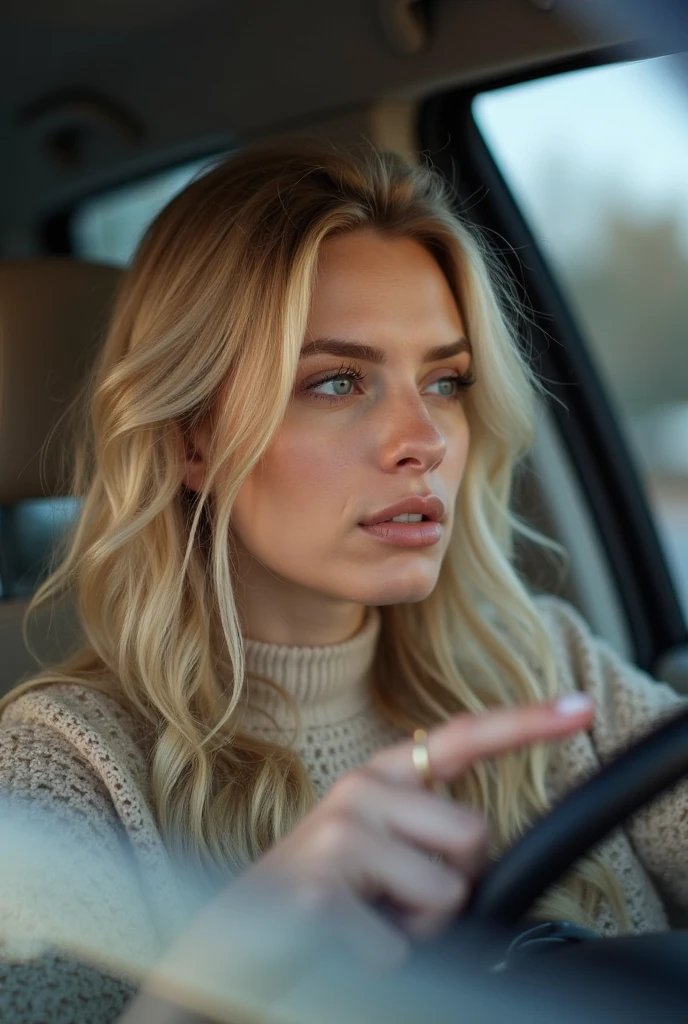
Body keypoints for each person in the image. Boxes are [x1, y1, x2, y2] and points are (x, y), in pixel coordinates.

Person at [0, 137, 686, 1024]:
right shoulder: (64, 768)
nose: (425, 439)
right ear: (192, 441)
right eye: (336, 381)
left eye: (445, 381)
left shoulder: (544, 665)